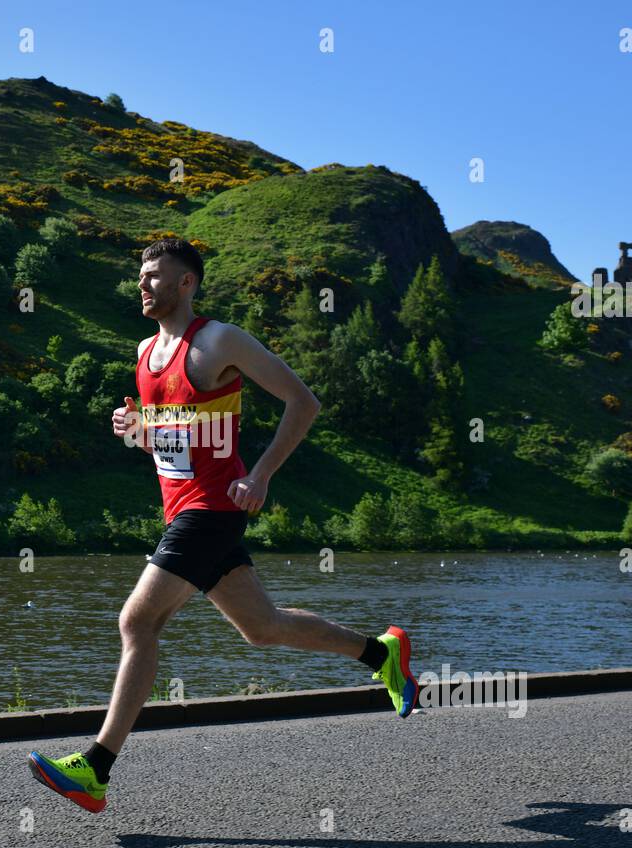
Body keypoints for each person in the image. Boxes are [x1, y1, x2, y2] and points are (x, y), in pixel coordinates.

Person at [28, 238, 417, 813]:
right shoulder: (142, 353)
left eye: (156, 276)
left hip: (213, 508)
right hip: (182, 507)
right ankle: (381, 654)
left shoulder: (217, 341)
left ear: (187, 283)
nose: (143, 284)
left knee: (137, 621)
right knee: (260, 627)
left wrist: (259, 476)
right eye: (140, 275)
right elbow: (175, 441)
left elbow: (302, 403)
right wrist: (135, 429)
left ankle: (96, 767)